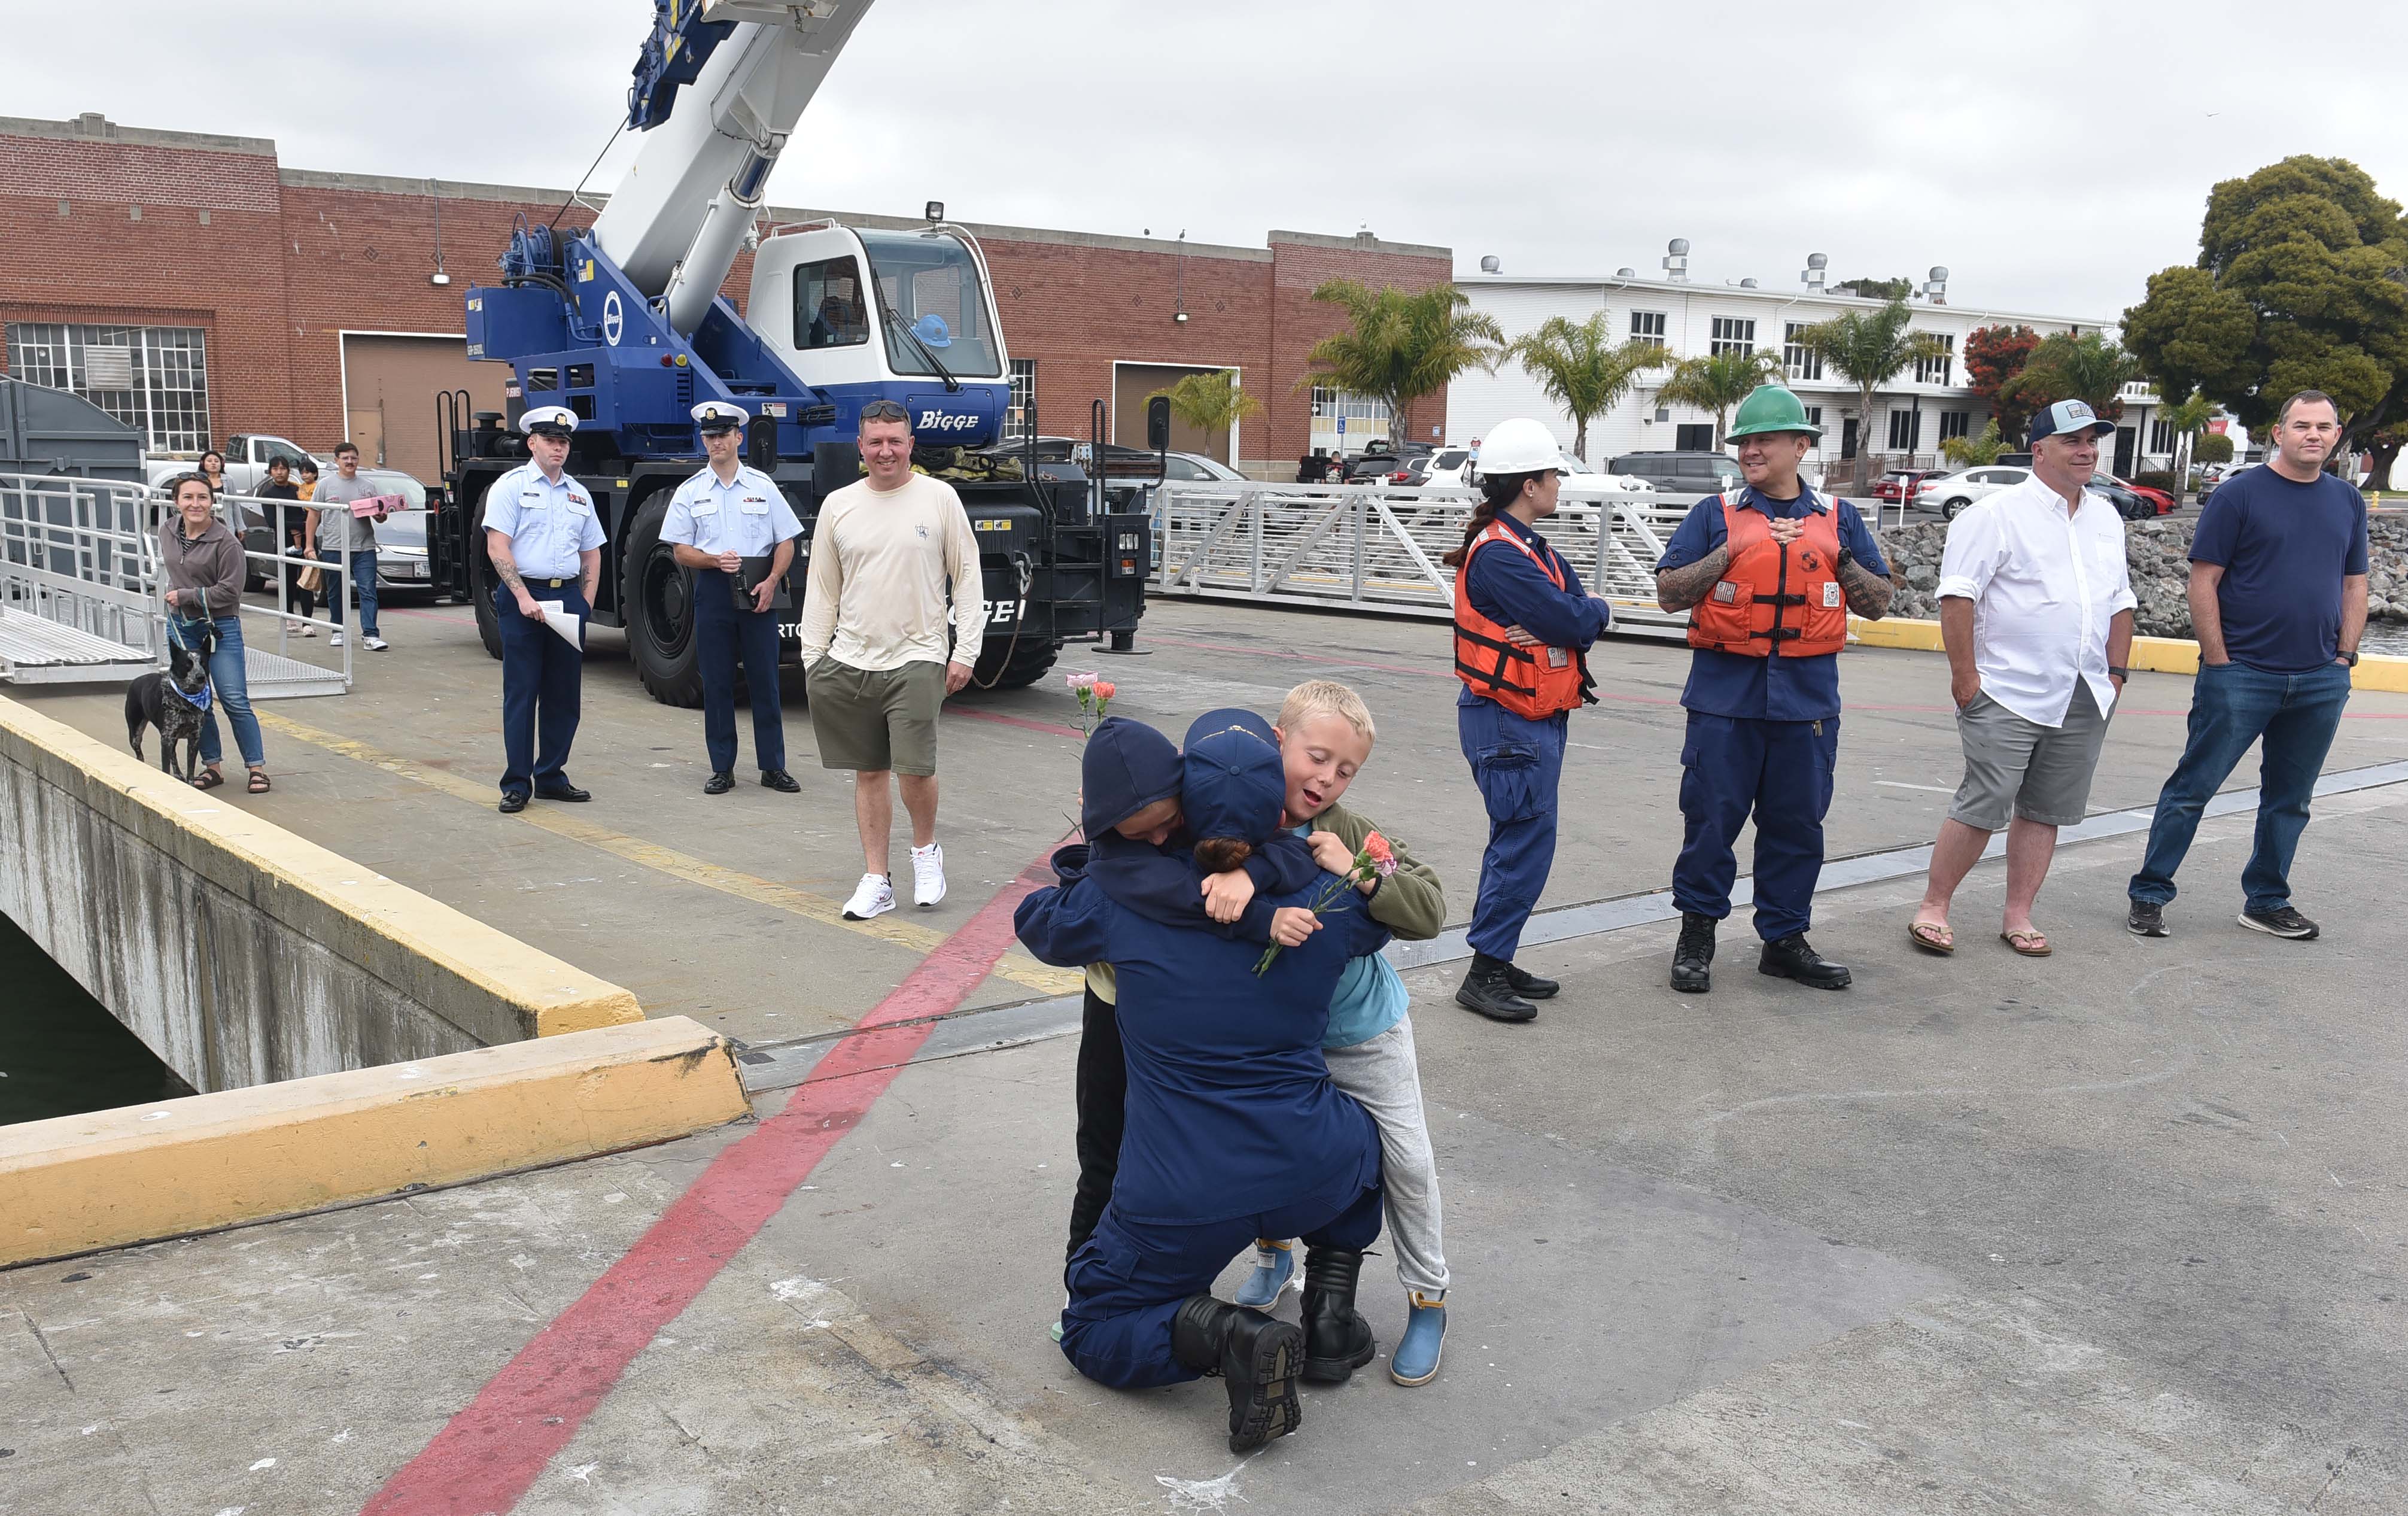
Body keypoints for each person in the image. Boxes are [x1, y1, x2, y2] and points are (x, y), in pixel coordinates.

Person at [1016, 710, 1391, 1454]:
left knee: (1094, 1324)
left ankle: (1231, 1335)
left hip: (1183, 1190)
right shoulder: (1326, 898)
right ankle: (1328, 1320)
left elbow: (1040, 923)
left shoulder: (1124, 900)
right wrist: (1306, 865)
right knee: (1363, 1147)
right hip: (1312, 1165)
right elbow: (1379, 920)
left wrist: (1105, 857)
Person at [1226, 679, 1452, 1387]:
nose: (1325, 778)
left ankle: (1428, 1297)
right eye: (1316, 756)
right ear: (1277, 741)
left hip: (1366, 1034)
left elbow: (1429, 905)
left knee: (1407, 1164)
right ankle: (1273, 1255)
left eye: (1345, 769)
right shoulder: (1232, 815)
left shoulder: (1353, 831)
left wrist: (1355, 869)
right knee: (1271, 1156)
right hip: (1281, 1040)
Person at [1653, 383, 1893, 994]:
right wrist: (1730, 555)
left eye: (1764, 440)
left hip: (1806, 704)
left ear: (1800, 446)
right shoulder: (1714, 515)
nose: (1751, 451)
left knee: (1797, 825)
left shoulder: (1838, 521)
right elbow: (1668, 593)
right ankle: (1697, 935)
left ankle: (1784, 940)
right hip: (1723, 701)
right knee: (1709, 821)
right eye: (1744, 441)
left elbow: (1880, 603)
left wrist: (1834, 558)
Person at [2127, 390, 2369, 941]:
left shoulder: (2347, 501)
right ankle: (2150, 892)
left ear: (2336, 435)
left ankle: (2266, 899)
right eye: (2302, 424)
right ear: (2277, 433)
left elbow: (2355, 583)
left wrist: (2343, 658)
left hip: (2320, 679)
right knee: (2193, 787)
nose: (2314, 434)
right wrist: (2219, 659)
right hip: (2241, 675)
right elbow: (2203, 580)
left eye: (2324, 426)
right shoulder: (2238, 496)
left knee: (2290, 800)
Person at [1910, 400, 2135, 957]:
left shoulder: (2106, 516)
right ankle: (1934, 906)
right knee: (1984, 801)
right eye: (2072, 441)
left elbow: (2121, 599)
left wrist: (2116, 672)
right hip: (2006, 689)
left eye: (2092, 440)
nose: (2086, 451)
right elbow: (1958, 597)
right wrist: (1966, 680)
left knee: (2046, 809)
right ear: (2040, 450)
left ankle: (2018, 914)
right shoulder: (1993, 515)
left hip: (2083, 689)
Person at [1444, 415, 1610, 1022]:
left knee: (1517, 838)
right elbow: (1572, 620)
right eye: (1552, 476)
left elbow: (1577, 602)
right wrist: (1578, 613)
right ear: (1529, 485)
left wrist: (1582, 609)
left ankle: (1499, 952)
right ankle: (1484, 972)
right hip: (1508, 719)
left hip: (1529, 715)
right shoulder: (1501, 558)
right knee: (1523, 842)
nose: (1558, 486)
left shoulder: (1527, 548)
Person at [799, 399, 984, 919]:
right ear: (861, 447)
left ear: (910, 445)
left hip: (919, 655)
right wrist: (815, 659)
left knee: (915, 769)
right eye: (875, 442)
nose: (886, 451)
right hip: (851, 659)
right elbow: (823, 589)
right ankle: (877, 879)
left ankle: (926, 853)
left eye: (895, 441)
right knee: (870, 772)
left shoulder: (940, 498)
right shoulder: (839, 505)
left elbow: (966, 577)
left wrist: (964, 649)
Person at [662, 400, 804, 794]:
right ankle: (722, 767)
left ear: (739, 437)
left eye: (723, 434)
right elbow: (680, 550)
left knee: (765, 681)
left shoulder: (762, 486)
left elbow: (787, 540)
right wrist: (711, 559)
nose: (716, 442)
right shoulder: (691, 491)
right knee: (718, 681)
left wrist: (774, 579)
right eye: (709, 436)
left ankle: (773, 767)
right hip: (713, 590)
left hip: (758, 591)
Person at [483, 406, 605, 814]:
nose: (559, 447)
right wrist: (521, 597)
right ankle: (517, 783)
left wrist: (585, 604)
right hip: (524, 597)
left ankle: (551, 775)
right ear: (532, 442)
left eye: (565, 441)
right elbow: (497, 546)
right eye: (551, 440)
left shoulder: (578, 494)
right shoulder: (511, 487)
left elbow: (591, 552)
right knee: (522, 693)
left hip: (566, 599)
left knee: (564, 695)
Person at [154, 472, 269, 794]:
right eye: (188, 498)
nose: (196, 504)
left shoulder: (226, 542)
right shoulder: (167, 531)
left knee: (233, 699)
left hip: (219, 627)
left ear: (212, 501)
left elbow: (231, 592)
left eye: (202, 498)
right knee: (194, 700)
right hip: (181, 626)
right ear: (176, 502)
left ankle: (256, 768)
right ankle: (213, 766)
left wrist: (187, 596)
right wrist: (177, 600)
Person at [308, 441, 390, 652]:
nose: (350, 462)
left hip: (364, 548)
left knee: (368, 591)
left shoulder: (368, 485)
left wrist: (381, 515)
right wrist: (309, 545)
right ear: (336, 461)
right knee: (336, 592)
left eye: (353, 458)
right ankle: (338, 631)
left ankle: (371, 635)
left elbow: (380, 517)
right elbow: (314, 514)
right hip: (334, 547)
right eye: (345, 458)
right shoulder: (326, 485)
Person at [256, 456, 313, 635]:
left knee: (306, 582)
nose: (280, 472)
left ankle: (307, 622)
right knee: (288, 582)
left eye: (283, 468)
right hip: (284, 542)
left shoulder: (298, 490)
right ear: (271, 472)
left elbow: (310, 513)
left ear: (289, 471)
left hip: (305, 541)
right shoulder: (268, 494)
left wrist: (303, 526)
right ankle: (289, 617)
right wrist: (298, 525)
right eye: (275, 469)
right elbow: (273, 522)